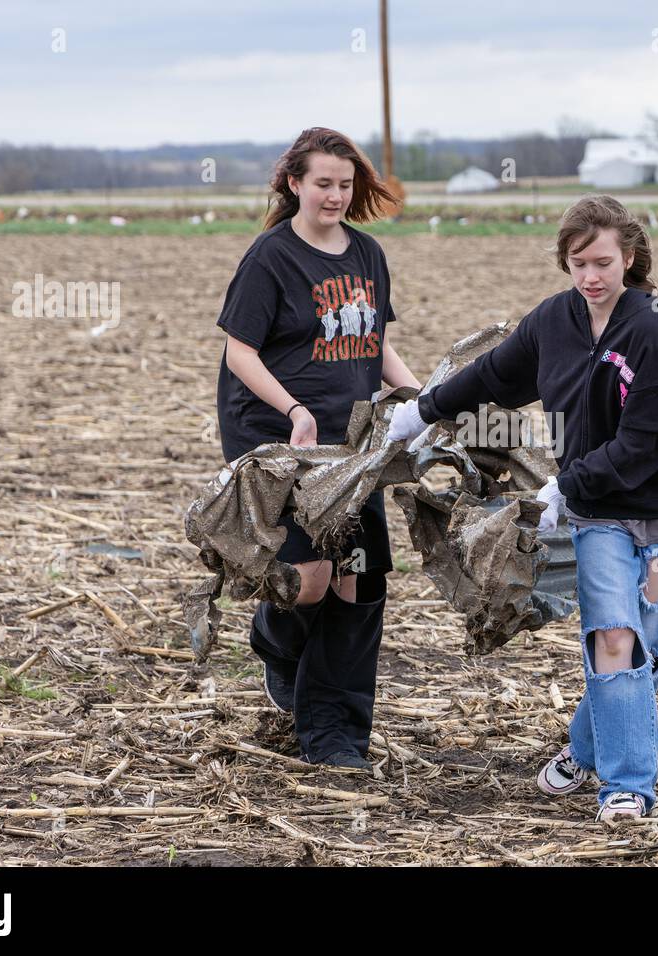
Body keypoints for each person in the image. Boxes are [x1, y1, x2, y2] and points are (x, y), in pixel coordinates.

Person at [388, 194, 658, 819]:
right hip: (597, 516)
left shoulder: (654, 335)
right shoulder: (553, 323)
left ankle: (586, 749)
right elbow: (491, 375)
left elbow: (648, 440)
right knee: (612, 637)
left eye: (603, 262)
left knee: (648, 646)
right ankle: (627, 787)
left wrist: (566, 486)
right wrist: (422, 409)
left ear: (630, 258)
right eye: (577, 264)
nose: (591, 277)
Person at [215, 127, 423, 769]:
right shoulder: (271, 258)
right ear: (294, 184)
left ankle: (334, 735)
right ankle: (278, 644)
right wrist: (295, 411)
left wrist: (419, 398)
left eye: (345, 183)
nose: (335, 195)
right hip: (280, 440)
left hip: (353, 444)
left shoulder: (367, 255)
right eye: (323, 183)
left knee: (357, 581)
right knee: (309, 582)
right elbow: (238, 351)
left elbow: (374, 341)